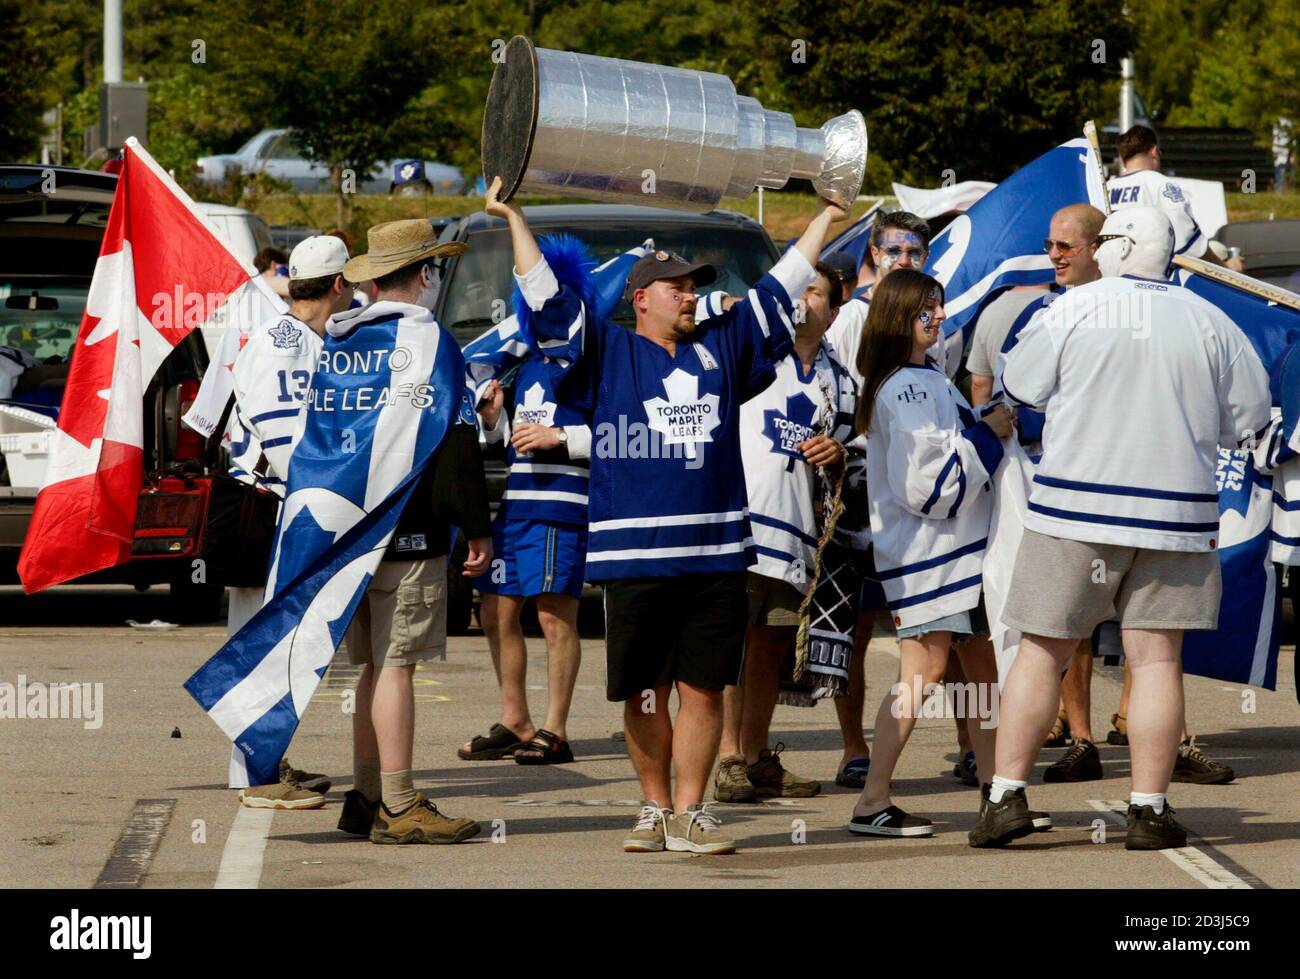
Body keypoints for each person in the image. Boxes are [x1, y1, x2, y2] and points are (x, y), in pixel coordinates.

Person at [486, 175, 846, 854]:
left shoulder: (721, 350)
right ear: (639, 298)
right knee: (644, 693)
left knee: (704, 689)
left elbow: (777, 291)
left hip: (714, 554)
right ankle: (653, 806)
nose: (689, 294)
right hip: (635, 555)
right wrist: (513, 216)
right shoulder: (608, 352)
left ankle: (690, 808)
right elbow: (549, 301)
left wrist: (827, 216)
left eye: (693, 285)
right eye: (676, 286)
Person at [973, 207, 1270, 850]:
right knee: (1157, 658)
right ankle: (1148, 807)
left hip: (1076, 509)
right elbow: (1247, 412)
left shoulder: (1074, 308)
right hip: (1178, 514)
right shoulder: (1209, 318)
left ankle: (1004, 798)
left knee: (1042, 649)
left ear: (1121, 246)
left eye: (1105, 240)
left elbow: (1019, 386)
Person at [328, 218, 495, 844]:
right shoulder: (433, 345)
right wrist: (476, 527)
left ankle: (367, 795)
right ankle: (399, 804)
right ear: (424, 275)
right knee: (398, 668)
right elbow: (455, 440)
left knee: (372, 668)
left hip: (349, 533)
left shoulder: (341, 343)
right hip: (411, 531)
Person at [847, 269, 1013, 837]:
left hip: (954, 559)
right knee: (923, 672)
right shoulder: (909, 386)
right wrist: (989, 431)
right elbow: (930, 489)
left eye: (939, 307)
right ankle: (872, 800)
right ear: (899, 318)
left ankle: (999, 797)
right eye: (926, 310)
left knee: (981, 674)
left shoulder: (923, 378)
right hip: (929, 559)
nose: (939, 317)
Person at [714, 259, 856, 803]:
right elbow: (705, 316)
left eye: (815, 293)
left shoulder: (839, 378)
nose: (802, 299)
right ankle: (726, 757)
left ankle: (753, 756)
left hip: (797, 534)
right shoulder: (751, 347)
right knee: (729, 647)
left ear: (834, 310)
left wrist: (838, 451)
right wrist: (729, 303)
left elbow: (854, 446)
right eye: (798, 289)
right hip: (740, 524)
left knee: (770, 647)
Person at [228, 235, 355, 810]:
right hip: (272, 507)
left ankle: (263, 762)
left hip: (279, 505)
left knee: (274, 643)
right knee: (269, 646)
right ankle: (255, 775)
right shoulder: (287, 343)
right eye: (350, 282)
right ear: (335, 284)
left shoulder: (297, 336)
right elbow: (286, 445)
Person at [459, 235, 594, 767]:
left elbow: (620, 435)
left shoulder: (593, 357)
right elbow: (512, 435)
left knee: (555, 617)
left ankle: (556, 729)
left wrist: (559, 439)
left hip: (561, 504)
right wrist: (496, 418)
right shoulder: (528, 360)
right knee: (495, 612)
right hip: (518, 502)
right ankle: (516, 719)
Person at [1107, 125, 1224, 267]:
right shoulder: (1161, 184)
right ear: (1154, 151)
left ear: (1122, 158)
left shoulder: (1106, 188)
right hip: (1153, 276)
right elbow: (1187, 244)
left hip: (1112, 271)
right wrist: (1227, 268)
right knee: (1220, 249)